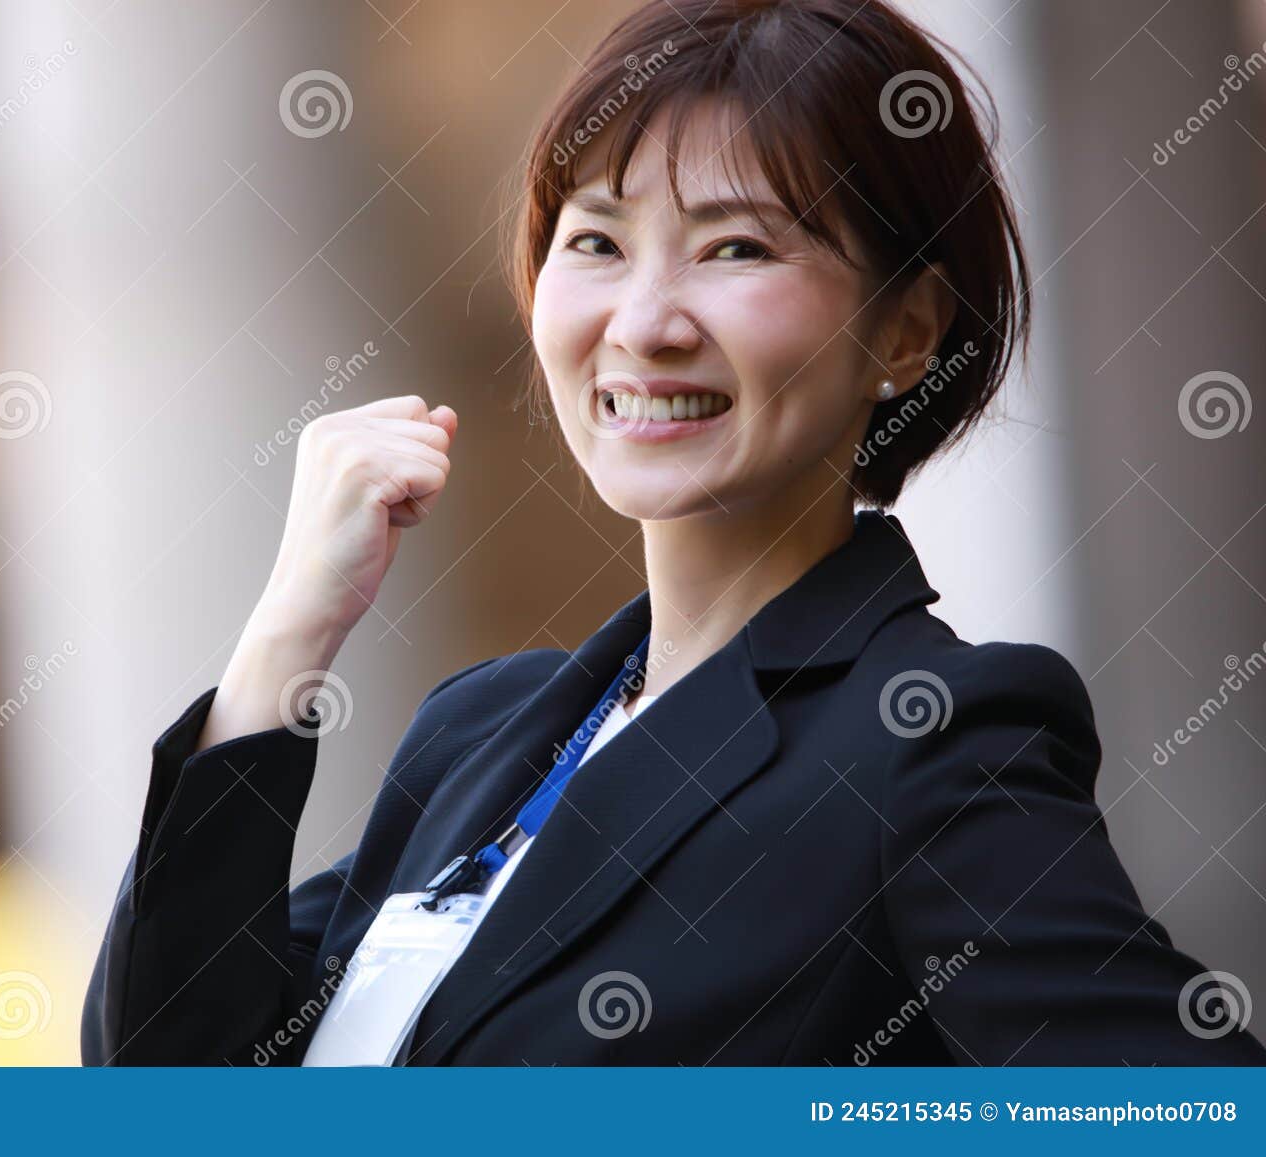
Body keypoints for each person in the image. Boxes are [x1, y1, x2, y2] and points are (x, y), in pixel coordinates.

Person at [81, 0, 1266, 1066]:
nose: (643, 322)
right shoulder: (483, 736)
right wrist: (289, 634)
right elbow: (161, 1081)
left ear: (906, 333)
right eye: (594, 241)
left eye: (734, 247)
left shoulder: (929, 745)